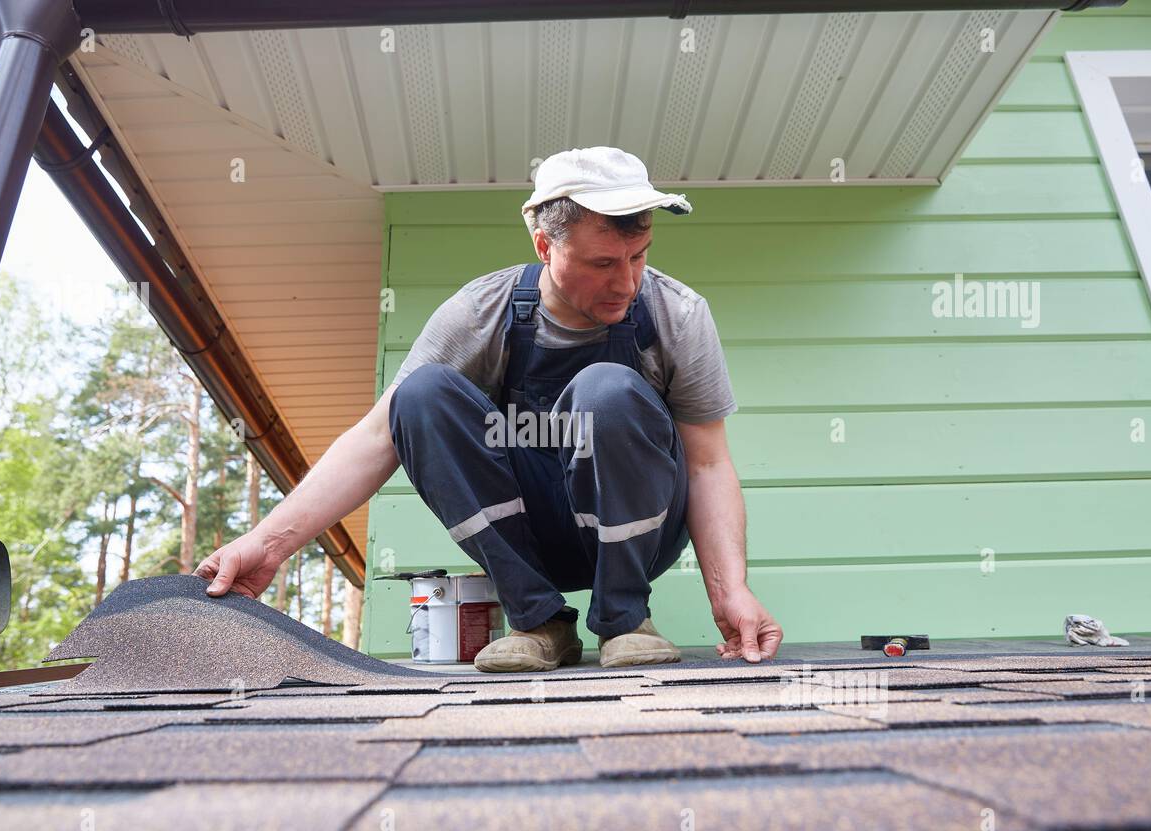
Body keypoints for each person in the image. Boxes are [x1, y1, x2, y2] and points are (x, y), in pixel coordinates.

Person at [194, 146, 783, 672]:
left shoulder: (676, 313)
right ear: (545, 245)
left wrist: (729, 591)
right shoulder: (482, 313)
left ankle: (625, 617)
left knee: (606, 390)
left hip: (636, 532)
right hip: (531, 536)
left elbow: (707, 464)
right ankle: (539, 620)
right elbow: (376, 438)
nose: (627, 283)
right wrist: (266, 545)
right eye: (603, 264)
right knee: (419, 394)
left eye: (639, 256)